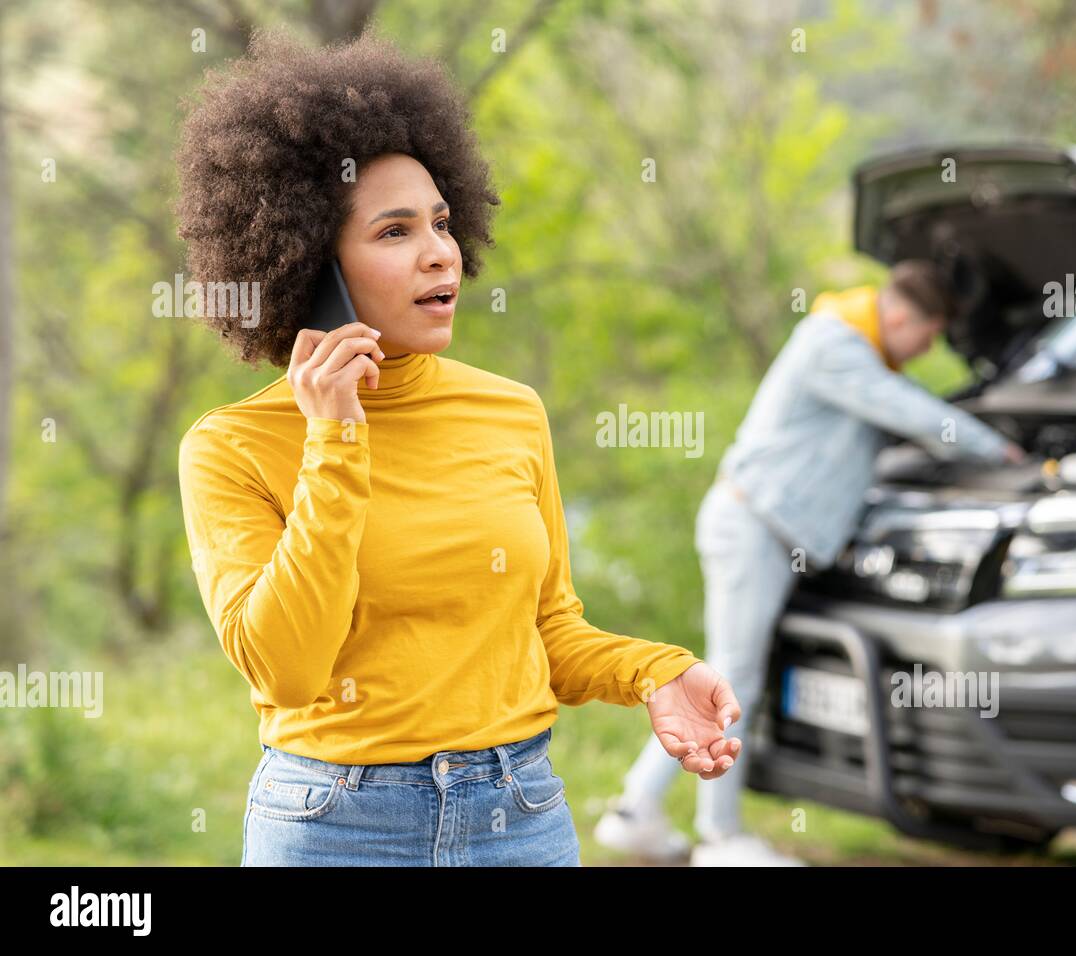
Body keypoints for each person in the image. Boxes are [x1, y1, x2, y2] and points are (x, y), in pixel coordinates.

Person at [174, 27, 742, 867]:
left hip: (521, 814)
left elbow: (547, 628)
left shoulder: (509, 411)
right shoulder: (233, 447)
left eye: (442, 223)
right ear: (306, 265)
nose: (441, 251)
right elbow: (286, 672)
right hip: (337, 827)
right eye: (394, 232)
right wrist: (335, 439)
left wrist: (652, 672)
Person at [595, 260, 1025, 866]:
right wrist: (998, 447)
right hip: (754, 530)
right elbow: (915, 413)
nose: (925, 351)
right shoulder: (833, 345)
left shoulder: (856, 349)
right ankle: (720, 839)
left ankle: (635, 811)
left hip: (764, 532)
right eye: (927, 336)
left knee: (726, 672)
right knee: (732, 681)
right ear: (900, 315)